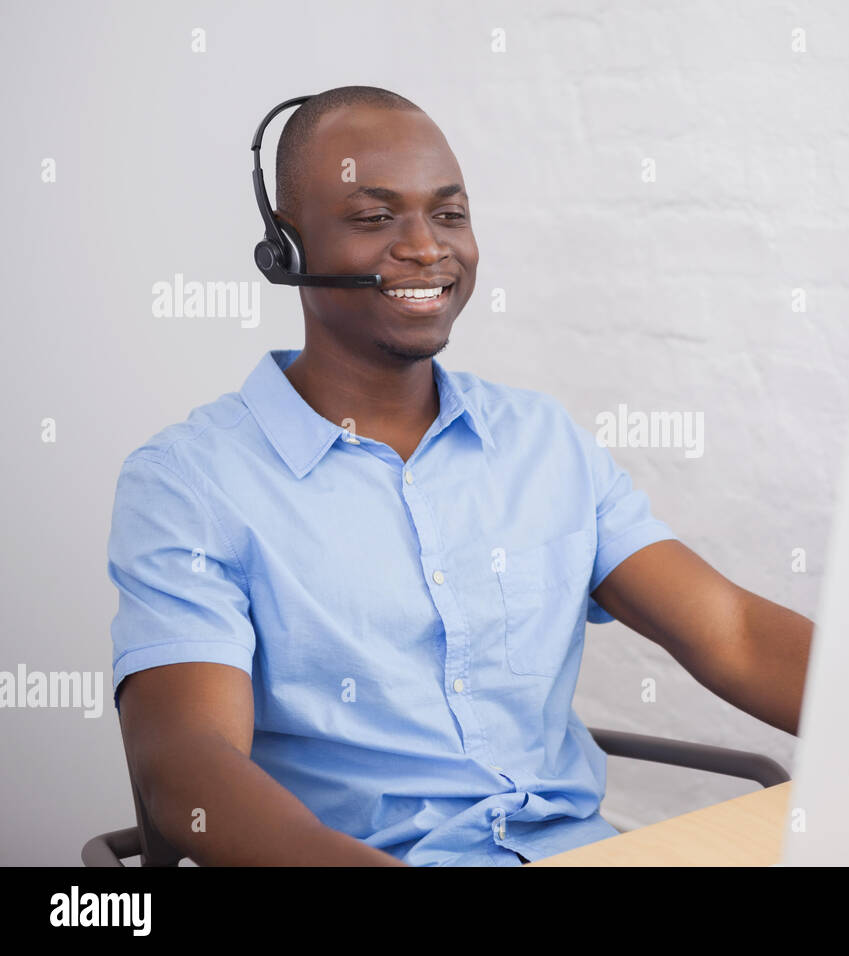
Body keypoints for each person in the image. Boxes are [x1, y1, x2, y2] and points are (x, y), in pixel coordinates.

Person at [107, 86, 813, 867]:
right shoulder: (191, 483)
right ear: (286, 247)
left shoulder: (541, 441)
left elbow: (735, 636)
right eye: (375, 218)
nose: (426, 248)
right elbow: (186, 767)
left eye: (449, 215)